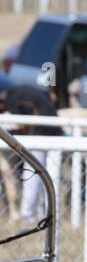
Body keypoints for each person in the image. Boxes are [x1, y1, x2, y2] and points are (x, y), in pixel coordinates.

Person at [0, 83, 59, 221]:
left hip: (41, 133)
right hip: (54, 127)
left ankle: (28, 214)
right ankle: (45, 212)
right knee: (48, 175)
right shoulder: (22, 90)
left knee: (33, 173)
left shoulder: (12, 100)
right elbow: (49, 97)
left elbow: (20, 123)